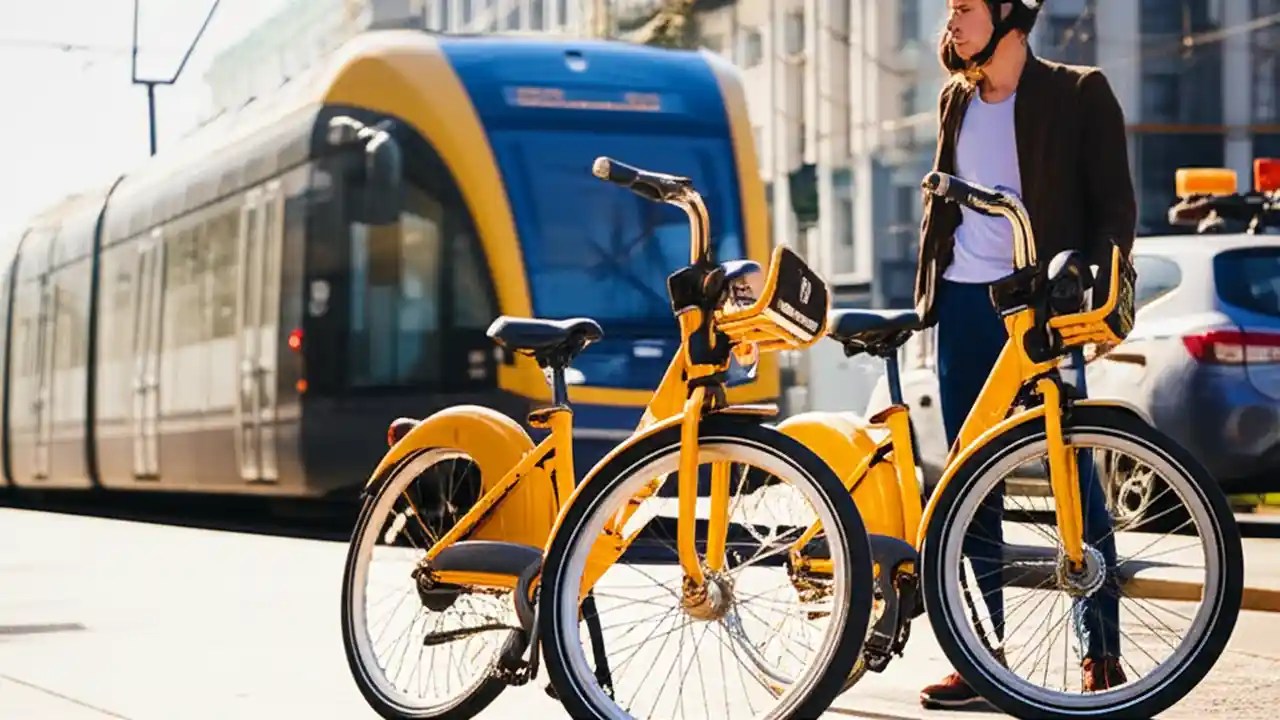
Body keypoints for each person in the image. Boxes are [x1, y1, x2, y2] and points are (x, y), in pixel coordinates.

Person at [914, 0, 1135, 710]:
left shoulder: (1077, 92)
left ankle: (1100, 654)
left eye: (965, 8)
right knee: (969, 483)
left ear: (1010, 16)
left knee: (1074, 472)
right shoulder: (955, 100)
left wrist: (1094, 292)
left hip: (1039, 310)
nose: (952, 23)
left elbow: (1115, 210)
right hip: (962, 305)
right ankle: (980, 657)